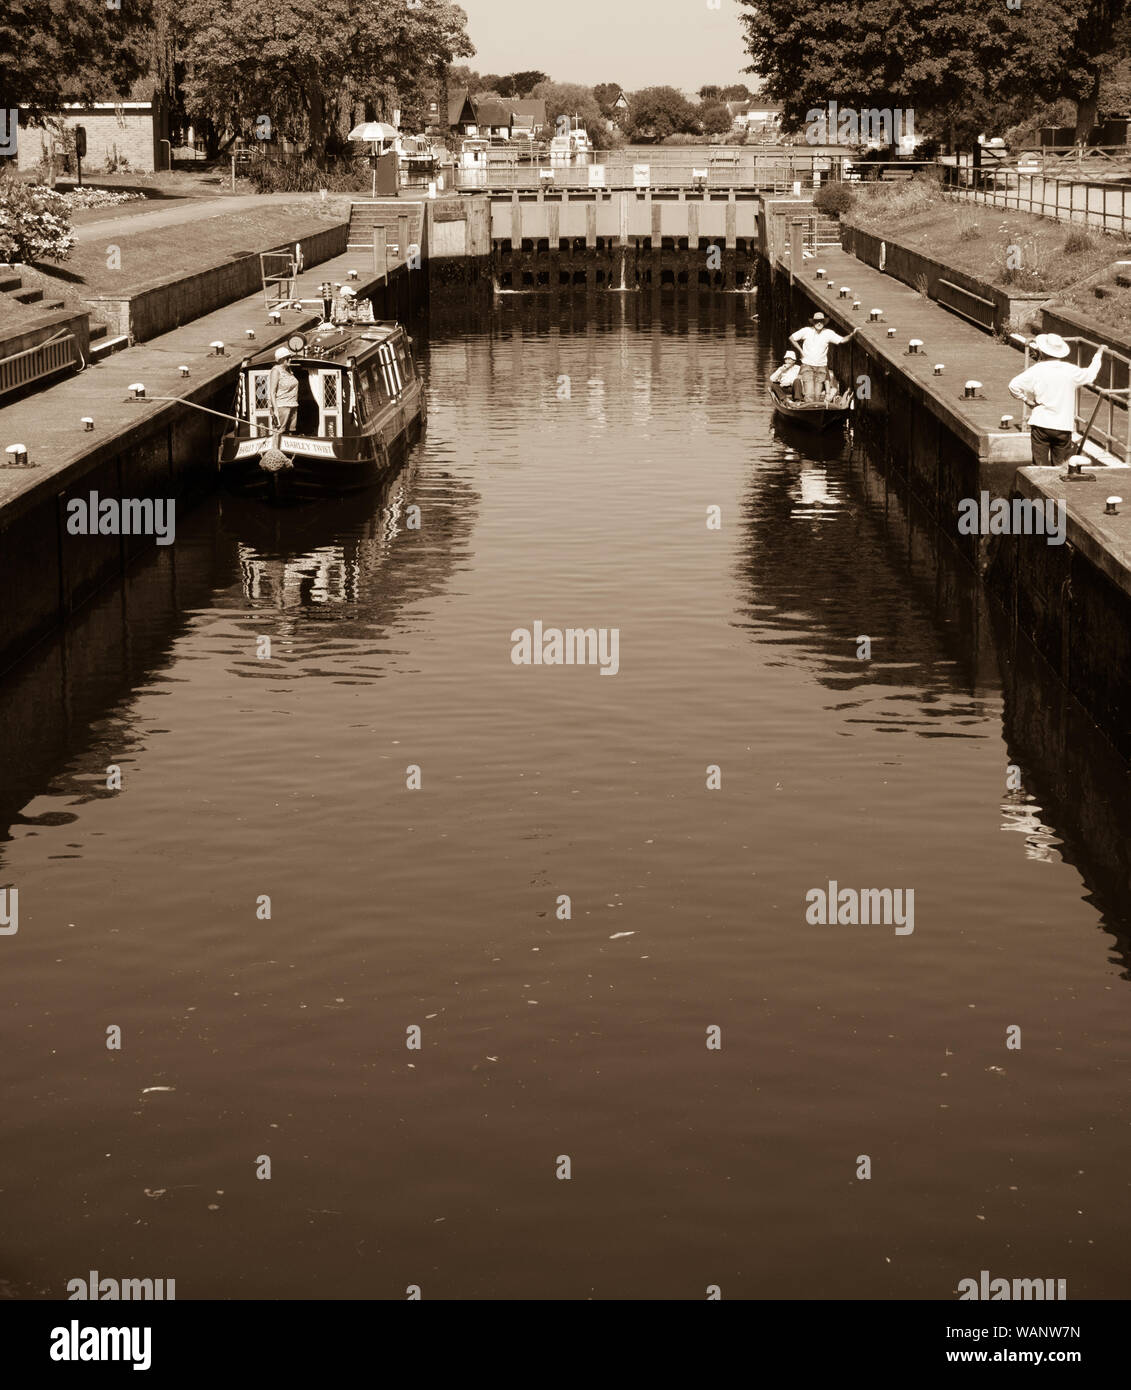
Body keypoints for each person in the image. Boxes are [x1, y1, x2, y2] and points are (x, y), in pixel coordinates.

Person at [1008, 333, 1104, 466]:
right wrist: (1099, 353)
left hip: (1040, 423)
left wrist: (1026, 400)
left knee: (1038, 467)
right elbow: (1091, 374)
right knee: (1060, 467)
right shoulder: (1071, 370)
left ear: (1042, 352)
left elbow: (1013, 385)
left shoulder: (1037, 369)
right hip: (1062, 424)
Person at [789, 311, 857, 401]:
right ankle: (809, 410)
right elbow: (792, 338)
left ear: (824, 322)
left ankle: (815, 412)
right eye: (817, 321)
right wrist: (800, 350)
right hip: (807, 366)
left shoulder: (828, 333)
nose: (819, 323)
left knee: (817, 397)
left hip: (821, 368)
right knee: (809, 395)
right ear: (813, 322)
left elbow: (842, 340)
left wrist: (853, 334)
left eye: (821, 321)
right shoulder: (806, 330)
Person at [268, 346, 300, 436]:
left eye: (290, 357)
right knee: (279, 432)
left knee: (291, 432)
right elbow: (272, 392)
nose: (290, 359)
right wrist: (275, 410)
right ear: (281, 359)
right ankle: (275, 449)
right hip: (282, 406)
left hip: (293, 405)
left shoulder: (289, 370)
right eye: (288, 358)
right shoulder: (276, 370)